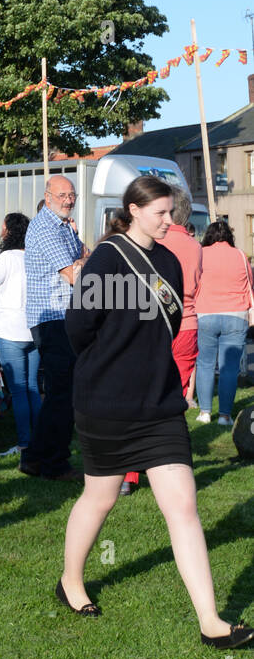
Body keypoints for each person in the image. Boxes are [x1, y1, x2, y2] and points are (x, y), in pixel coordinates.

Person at [60, 176, 253, 648]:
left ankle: (211, 621)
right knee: (99, 499)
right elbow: (77, 329)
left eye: (172, 212)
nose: (171, 221)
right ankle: (71, 581)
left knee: (184, 508)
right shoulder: (106, 258)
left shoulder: (169, 260)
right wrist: (114, 364)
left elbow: (166, 329)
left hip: (161, 403)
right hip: (106, 402)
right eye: (161, 213)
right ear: (133, 210)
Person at [122, 188, 202, 495]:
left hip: (152, 326)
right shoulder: (195, 246)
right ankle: (169, 468)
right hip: (186, 326)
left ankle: (129, 474)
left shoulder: (151, 243)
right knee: (174, 402)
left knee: (137, 396)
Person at [21, 175, 85, 482]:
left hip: (60, 317)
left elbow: (84, 258)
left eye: (71, 195)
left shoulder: (64, 228)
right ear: (47, 197)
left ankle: (35, 458)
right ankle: (54, 463)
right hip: (51, 319)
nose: (68, 200)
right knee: (63, 393)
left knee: (62, 392)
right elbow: (75, 274)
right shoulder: (46, 228)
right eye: (62, 195)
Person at [0, 212, 39, 460]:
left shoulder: (7, 257)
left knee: (20, 390)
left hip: (11, 329)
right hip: (33, 327)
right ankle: (40, 439)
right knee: (33, 388)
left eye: (3, 228)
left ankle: (25, 442)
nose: (0, 233)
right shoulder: (35, 256)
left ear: (9, 231)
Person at [195, 219, 254, 426]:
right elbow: (250, 282)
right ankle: (224, 416)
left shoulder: (201, 255)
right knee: (229, 368)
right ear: (229, 237)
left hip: (206, 313)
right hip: (236, 314)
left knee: (204, 364)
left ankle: (204, 412)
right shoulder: (240, 255)